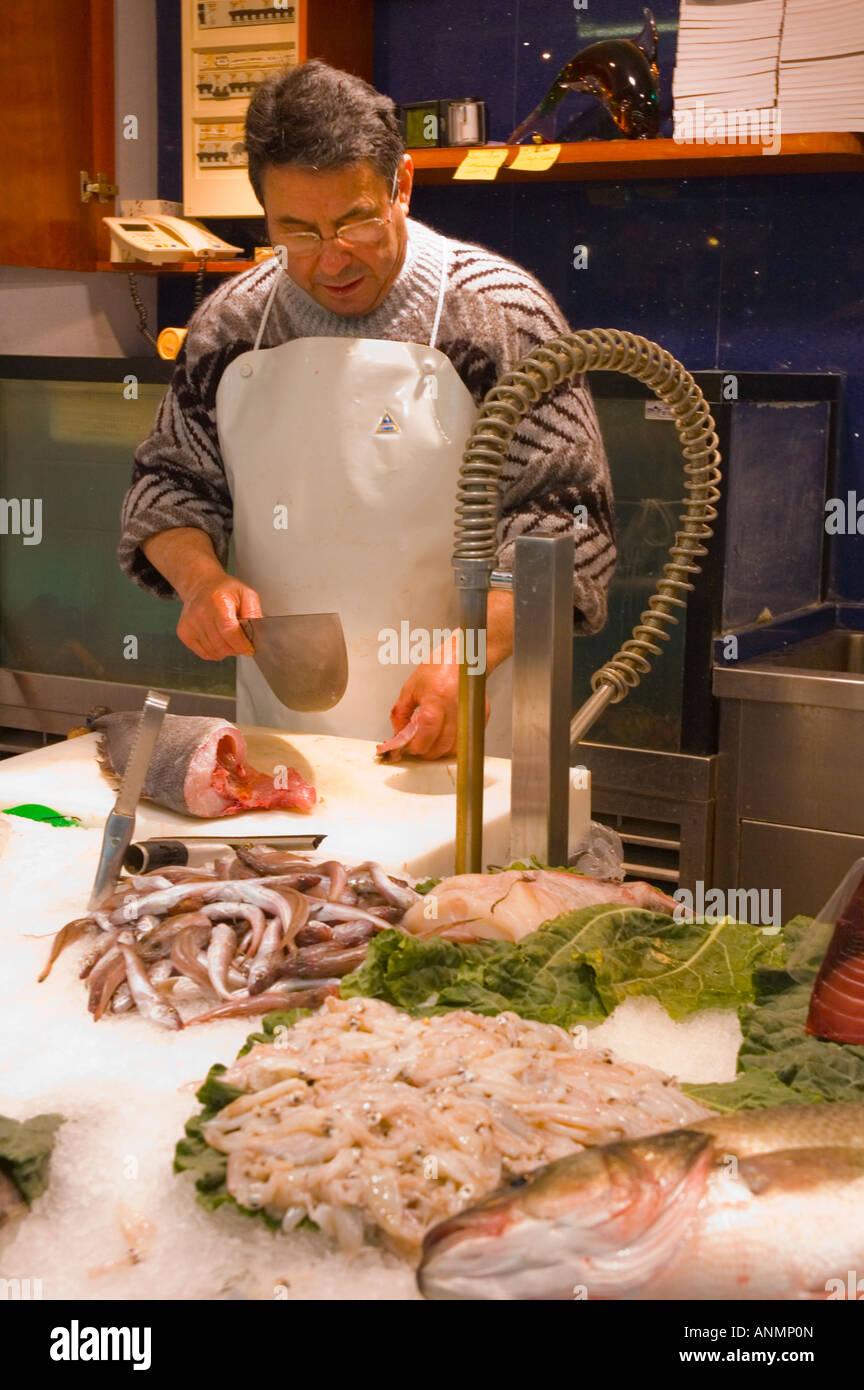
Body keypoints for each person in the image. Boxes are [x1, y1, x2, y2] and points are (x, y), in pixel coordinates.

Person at [118, 60, 616, 759]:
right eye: (297, 231)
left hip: (468, 733)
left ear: (401, 186)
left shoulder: (501, 312)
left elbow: (567, 524)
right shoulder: (231, 324)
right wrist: (202, 582)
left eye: (355, 221)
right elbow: (168, 489)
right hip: (282, 740)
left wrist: (465, 659)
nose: (332, 260)